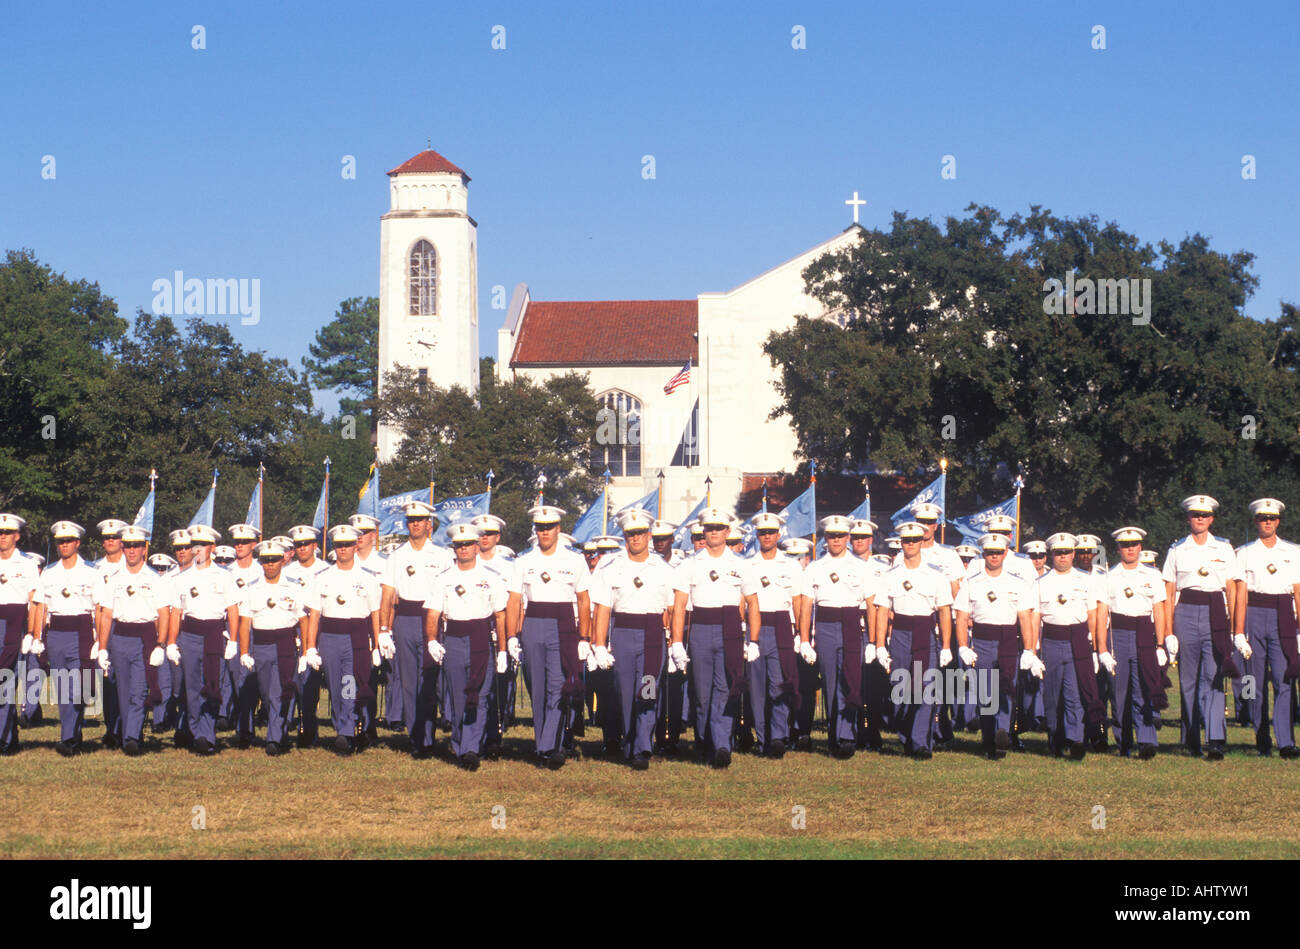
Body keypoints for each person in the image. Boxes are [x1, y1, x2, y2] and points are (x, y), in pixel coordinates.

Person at [669, 507, 758, 768]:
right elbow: (679, 606)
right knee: (702, 691)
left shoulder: (741, 565)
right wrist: (676, 642)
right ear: (703, 532)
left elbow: (753, 602)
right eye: (710, 528)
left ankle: (722, 744)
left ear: (728, 532)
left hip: (730, 629)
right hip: (701, 629)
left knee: (725, 687)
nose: (715, 532)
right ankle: (704, 738)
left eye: (719, 528)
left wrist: (754, 640)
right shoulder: (690, 565)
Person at [505, 505, 590, 769]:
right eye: (540, 528)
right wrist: (511, 636)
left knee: (557, 686)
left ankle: (549, 747)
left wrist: (584, 637)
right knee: (536, 687)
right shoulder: (523, 561)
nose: (544, 532)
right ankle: (545, 742)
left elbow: (584, 600)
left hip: (563, 624)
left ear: (558, 529)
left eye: (549, 527)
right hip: (533, 624)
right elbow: (514, 601)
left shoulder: (574, 560)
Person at [589, 508, 674, 770]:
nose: (635, 538)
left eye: (639, 533)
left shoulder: (662, 567)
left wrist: (670, 642)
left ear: (649, 535)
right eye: (630, 533)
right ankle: (630, 740)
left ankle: (643, 747)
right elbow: (603, 608)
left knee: (647, 690)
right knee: (625, 693)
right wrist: (600, 645)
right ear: (624, 535)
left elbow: (669, 608)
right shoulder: (610, 566)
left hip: (652, 635)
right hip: (623, 634)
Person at [425, 522, 508, 770]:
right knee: (458, 696)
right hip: (454, 639)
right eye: (459, 545)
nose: (464, 549)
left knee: (480, 695)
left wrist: (503, 649)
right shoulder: (444, 578)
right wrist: (431, 639)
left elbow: (500, 615)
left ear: (476, 546)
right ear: (454, 548)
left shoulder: (490, 577)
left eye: (468, 545)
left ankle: (471, 748)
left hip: (481, 638)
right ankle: (461, 742)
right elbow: (433, 612)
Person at [1162, 495, 1238, 760]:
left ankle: (1215, 738)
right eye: (1195, 515)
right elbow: (1169, 591)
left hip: (1216, 611)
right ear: (1188, 518)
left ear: (1212, 518)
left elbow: (1232, 587)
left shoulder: (1225, 548)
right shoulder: (1177, 549)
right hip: (1186, 611)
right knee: (1189, 678)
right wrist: (1168, 630)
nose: (1200, 519)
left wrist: (1233, 625)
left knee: (1215, 676)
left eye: (1205, 515)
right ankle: (1192, 737)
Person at [873, 521, 954, 759]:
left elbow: (944, 611)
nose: (910, 544)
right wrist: (879, 644)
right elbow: (881, 611)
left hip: (924, 633)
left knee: (925, 687)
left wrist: (946, 646)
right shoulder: (890, 575)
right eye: (906, 541)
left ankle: (920, 742)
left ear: (921, 542)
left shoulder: (935, 575)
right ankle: (906, 736)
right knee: (901, 689)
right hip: (899, 633)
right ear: (901, 543)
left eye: (914, 540)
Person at [953, 533, 1035, 759]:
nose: (995, 556)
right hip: (982, 639)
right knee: (985, 691)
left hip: (1008, 638)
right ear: (984, 554)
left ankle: (1002, 733)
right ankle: (989, 736)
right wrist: (962, 646)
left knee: (1007, 687)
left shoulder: (1017, 583)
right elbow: (961, 616)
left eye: (999, 552)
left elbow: (1025, 618)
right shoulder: (972, 582)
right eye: (990, 552)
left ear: (1006, 553)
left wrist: (1029, 649)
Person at [800, 514, 875, 758]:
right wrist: (803, 639)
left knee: (851, 679)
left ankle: (847, 735)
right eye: (832, 536)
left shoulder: (861, 567)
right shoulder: (815, 567)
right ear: (825, 538)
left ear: (848, 537)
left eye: (841, 535)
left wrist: (874, 642)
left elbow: (872, 604)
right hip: (825, 624)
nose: (836, 540)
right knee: (830, 681)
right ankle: (835, 734)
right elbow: (806, 605)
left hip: (852, 624)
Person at [380, 501, 451, 758]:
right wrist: (384, 629)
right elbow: (388, 594)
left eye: (420, 519)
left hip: (432, 619)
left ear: (429, 524)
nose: (416, 524)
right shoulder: (397, 556)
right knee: (409, 681)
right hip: (406, 619)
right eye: (411, 520)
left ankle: (429, 734)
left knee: (430, 680)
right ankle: (416, 736)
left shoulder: (443, 556)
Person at [303, 524, 381, 755]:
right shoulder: (322, 577)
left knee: (350, 681)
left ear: (356, 545)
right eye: (339, 545)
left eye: (347, 544)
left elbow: (374, 612)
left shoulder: (367, 577)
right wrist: (310, 647)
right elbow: (314, 614)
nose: (343, 549)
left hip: (355, 636)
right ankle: (343, 726)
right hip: (329, 637)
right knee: (336, 685)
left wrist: (377, 644)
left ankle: (346, 730)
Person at [1233, 498, 1300, 757]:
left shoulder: (1293, 552)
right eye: (1262, 518)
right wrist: (1239, 631)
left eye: (1271, 518)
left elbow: (1297, 593)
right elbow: (1240, 595)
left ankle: (1286, 742)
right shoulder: (1245, 552)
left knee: (1284, 678)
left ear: (1278, 521)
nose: (1268, 522)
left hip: (1283, 614)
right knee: (1255, 680)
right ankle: (1261, 738)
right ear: (1256, 521)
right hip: (1255, 613)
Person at [94, 525, 169, 755]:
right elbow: (106, 614)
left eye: (136, 546)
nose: (132, 550)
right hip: (120, 638)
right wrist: (103, 647)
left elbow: (164, 613)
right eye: (128, 546)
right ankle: (130, 732)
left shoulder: (155, 579)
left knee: (138, 690)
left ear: (144, 548)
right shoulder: (114, 578)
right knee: (123, 691)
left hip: (145, 637)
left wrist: (161, 644)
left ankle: (131, 736)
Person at [1032, 532, 1104, 759]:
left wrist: (1093, 647)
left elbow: (1092, 613)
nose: (1062, 557)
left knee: (1075, 692)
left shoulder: (1086, 580)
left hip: (1078, 641)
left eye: (1066, 552)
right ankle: (1055, 737)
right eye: (1058, 553)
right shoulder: (1041, 582)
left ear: (1073, 553)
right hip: (1052, 640)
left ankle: (1076, 739)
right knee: (1052, 695)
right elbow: (1035, 616)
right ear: (1052, 555)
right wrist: (1033, 650)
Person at [234, 539, 310, 755]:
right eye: (266, 560)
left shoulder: (294, 586)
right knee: (267, 692)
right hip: (262, 644)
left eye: (274, 560)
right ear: (260, 562)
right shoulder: (252, 588)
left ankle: (274, 738)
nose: (270, 564)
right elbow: (245, 621)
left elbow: (303, 620)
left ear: (282, 561)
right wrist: (245, 652)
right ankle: (282, 729)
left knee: (282, 689)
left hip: (285, 642)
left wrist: (305, 652)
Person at [169, 524, 240, 755]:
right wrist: (171, 642)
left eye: (202, 546)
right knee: (191, 686)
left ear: (213, 548)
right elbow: (176, 612)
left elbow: (233, 610)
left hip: (214, 634)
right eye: (193, 546)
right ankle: (195, 729)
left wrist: (233, 641)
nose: (197, 550)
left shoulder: (224, 576)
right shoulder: (182, 578)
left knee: (212, 684)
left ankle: (207, 735)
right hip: (189, 634)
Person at [31, 521, 99, 755]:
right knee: (62, 687)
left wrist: (99, 639)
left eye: (68, 541)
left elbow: (98, 608)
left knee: (79, 687)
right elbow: (41, 606)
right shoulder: (49, 572)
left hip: (81, 631)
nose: (64, 545)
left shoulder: (91, 572)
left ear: (77, 543)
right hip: (57, 632)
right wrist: (37, 635)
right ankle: (69, 737)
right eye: (60, 541)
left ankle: (72, 734)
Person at [1101, 527, 1170, 759]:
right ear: (1118, 548)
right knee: (1119, 692)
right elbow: (1103, 614)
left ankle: (1147, 740)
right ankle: (1123, 742)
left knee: (1144, 687)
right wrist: (1102, 648)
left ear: (1140, 547)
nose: (1130, 548)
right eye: (1125, 545)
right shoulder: (1109, 577)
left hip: (1143, 635)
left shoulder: (1152, 575)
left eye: (1134, 544)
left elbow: (1159, 610)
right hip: (1118, 634)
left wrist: (1160, 644)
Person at [743, 511, 804, 758]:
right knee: (756, 686)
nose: (767, 536)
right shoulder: (747, 565)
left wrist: (802, 634)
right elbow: (742, 601)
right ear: (757, 535)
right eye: (762, 532)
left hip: (781, 626)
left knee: (780, 682)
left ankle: (779, 736)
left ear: (779, 535)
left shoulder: (790, 565)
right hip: (756, 629)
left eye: (771, 532)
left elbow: (799, 600)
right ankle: (762, 738)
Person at [285, 524, 330, 747]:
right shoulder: (287, 572)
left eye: (306, 544)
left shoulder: (326, 570)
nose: (302, 548)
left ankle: (311, 726)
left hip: (320, 630)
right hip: (292, 629)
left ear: (314, 546)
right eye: (298, 545)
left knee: (313, 681)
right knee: (293, 680)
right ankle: (294, 726)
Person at [0, 514, 39, 753]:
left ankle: (4, 739)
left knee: (5, 681)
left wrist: (32, 633)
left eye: (7, 533)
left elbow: (34, 602)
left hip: (13, 626)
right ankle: (9, 732)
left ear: (17, 536)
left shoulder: (26, 565)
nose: (2, 536)